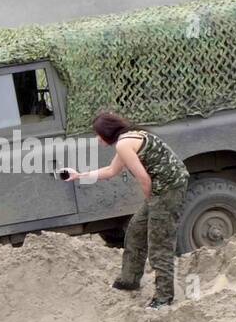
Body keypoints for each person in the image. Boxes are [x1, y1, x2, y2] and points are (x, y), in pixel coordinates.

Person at [66, 112, 189, 309]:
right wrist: (78, 175)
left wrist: (152, 202)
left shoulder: (124, 144)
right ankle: (129, 280)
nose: (97, 139)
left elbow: (144, 178)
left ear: (107, 133)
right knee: (135, 231)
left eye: (98, 135)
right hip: (163, 189)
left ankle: (164, 297)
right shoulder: (129, 138)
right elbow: (110, 171)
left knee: (159, 243)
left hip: (168, 190)